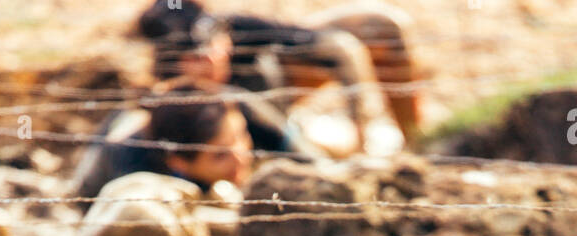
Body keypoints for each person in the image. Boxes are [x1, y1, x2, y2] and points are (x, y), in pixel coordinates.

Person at [137, 0, 422, 143]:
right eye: (196, 57)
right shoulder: (167, 98)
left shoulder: (237, 29)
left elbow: (341, 47)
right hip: (255, 135)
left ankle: (416, 138)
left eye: (214, 48)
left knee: (379, 24)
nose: (211, 60)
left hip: (279, 92)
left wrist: (363, 127)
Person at [71, 78, 304, 201]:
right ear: (180, 163)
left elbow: (307, 157)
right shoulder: (135, 168)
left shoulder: (237, 105)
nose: (241, 157)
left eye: (242, 136)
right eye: (220, 155)